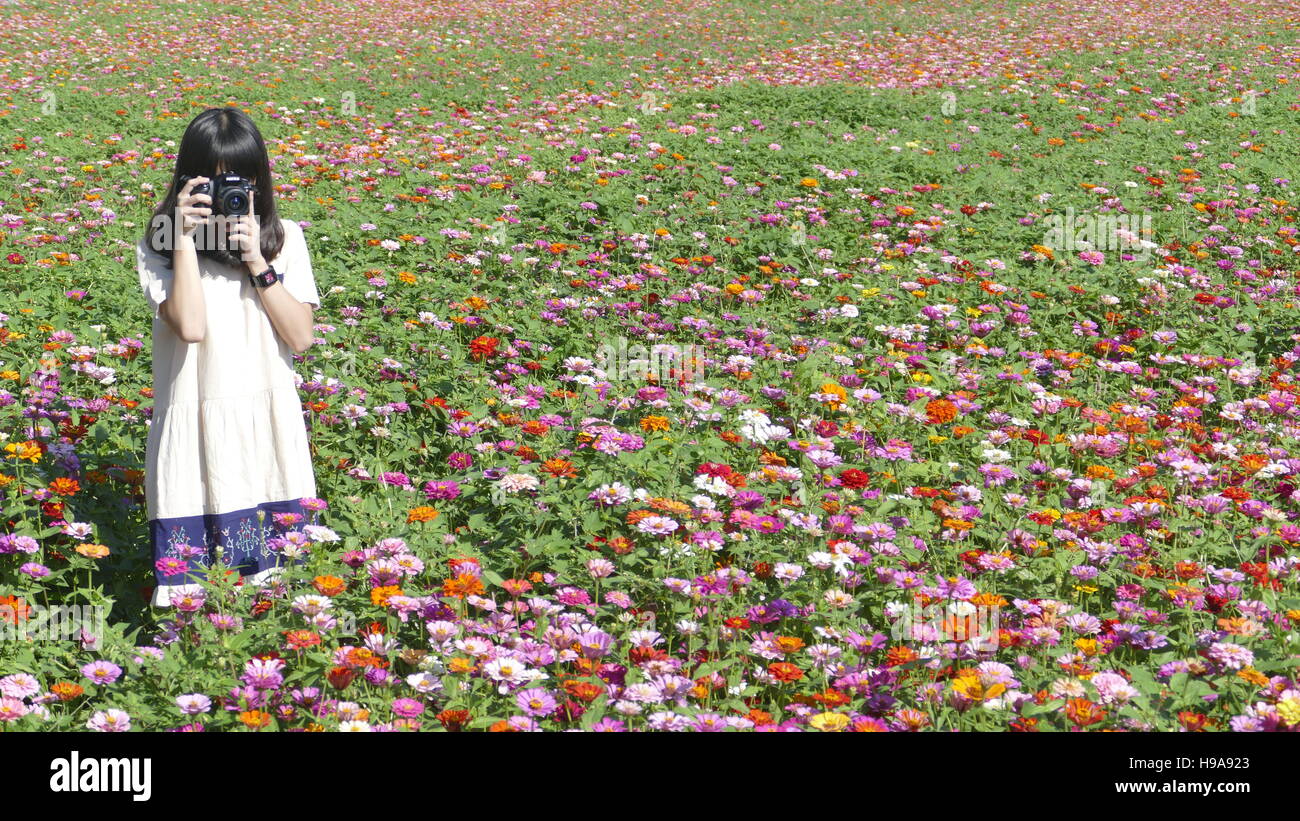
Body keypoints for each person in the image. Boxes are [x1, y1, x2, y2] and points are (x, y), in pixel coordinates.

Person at [136, 107, 322, 608]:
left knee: (278, 586)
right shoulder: (159, 243)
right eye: (211, 182)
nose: (226, 195)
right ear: (187, 181)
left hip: (266, 420)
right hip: (196, 418)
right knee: (196, 595)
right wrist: (181, 239)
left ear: (260, 179)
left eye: (240, 180)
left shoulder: (284, 240)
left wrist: (258, 263)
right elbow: (191, 327)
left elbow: (301, 338)